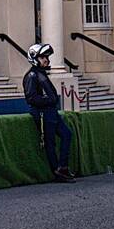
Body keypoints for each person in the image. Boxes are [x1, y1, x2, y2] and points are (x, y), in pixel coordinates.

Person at [22, 43, 75, 182]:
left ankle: (62, 167)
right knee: (50, 143)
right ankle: (58, 171)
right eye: (42, 57)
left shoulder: (40, 73)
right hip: (43, 114)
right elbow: (31, 98)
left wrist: (50, 100)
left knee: (67, 134)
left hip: (51, 112)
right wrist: (49, 99)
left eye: (46, 56)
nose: (46, 59)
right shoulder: (32, 75)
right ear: (35, 58)